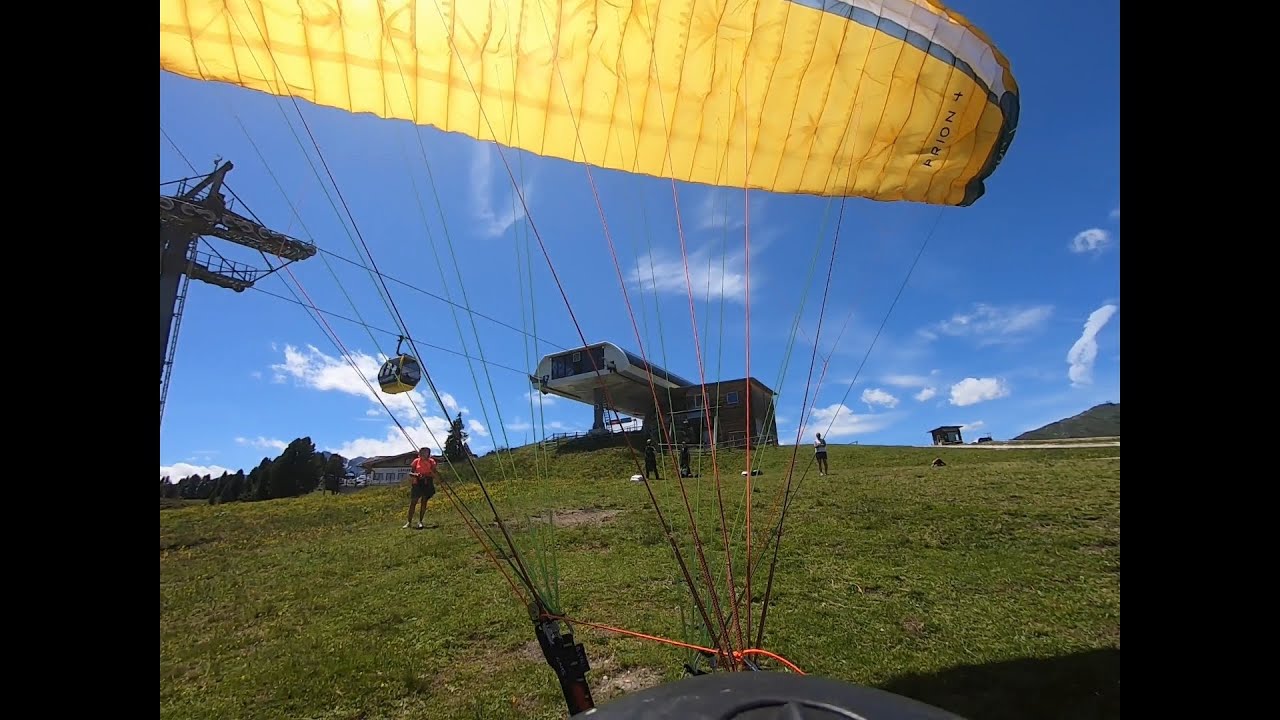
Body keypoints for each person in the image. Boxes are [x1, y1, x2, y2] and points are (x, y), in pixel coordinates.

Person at [403, 446, 437, 529]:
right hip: (417, 482)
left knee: (424, 501)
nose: (425, 454)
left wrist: (427, 474)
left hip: (427, 482)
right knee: (413, 501)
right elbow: (411, 473)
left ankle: (420, 521)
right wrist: (416, 475)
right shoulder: (416, 461)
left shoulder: (431, 461)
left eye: (427, 452)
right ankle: (409, 522)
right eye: (423, 452)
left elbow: (434, 473)